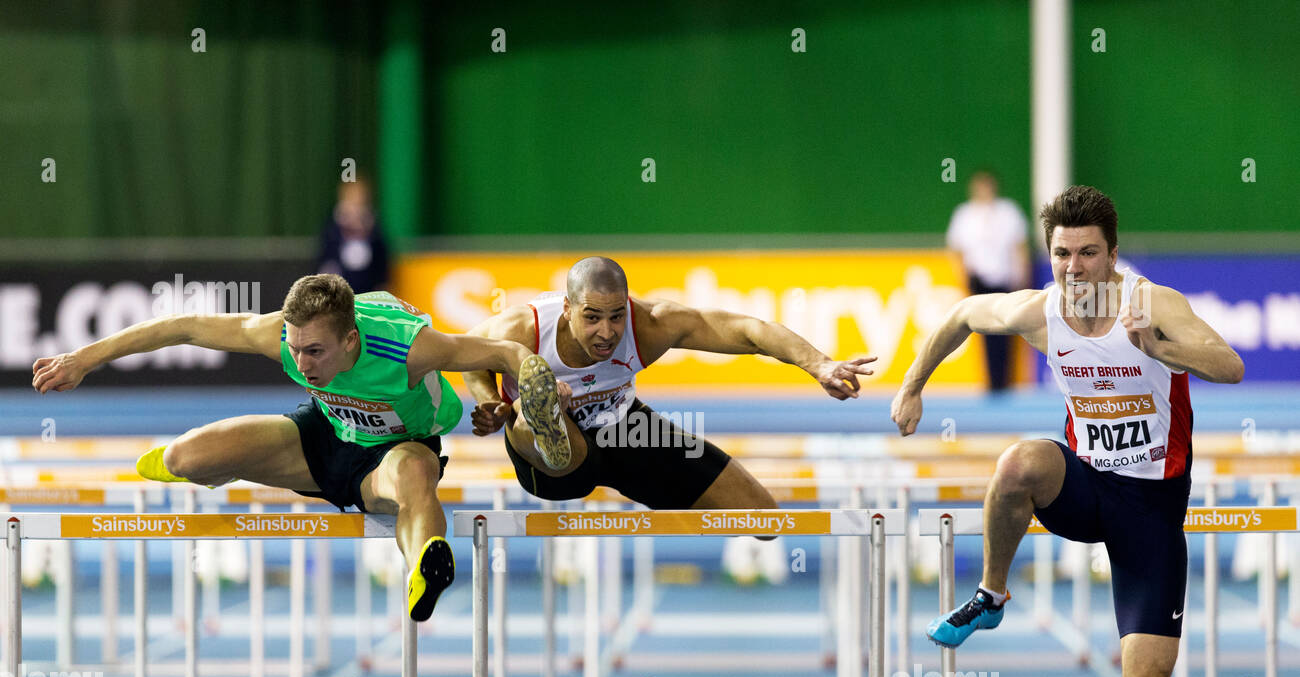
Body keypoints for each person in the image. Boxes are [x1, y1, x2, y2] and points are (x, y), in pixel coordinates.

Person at [892, 185, 1244, 677]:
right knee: (1019, 463)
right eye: (1061, 254)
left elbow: (1228, 364)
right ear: (1048, 254)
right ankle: (992, 594)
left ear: (1113, 255)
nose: (1073, 267)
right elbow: (964, 313)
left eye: (1087, 253)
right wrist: (913, 383)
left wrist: (1167, 352)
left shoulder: (1153, 304)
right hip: (1083, 489)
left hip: (1150, 511)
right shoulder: (1040, 311)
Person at [31, 273, 566, 621]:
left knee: (414, 480)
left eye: (315, 352)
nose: (303, 364)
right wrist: (83, 359)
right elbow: (183, 327)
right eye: (295, 349)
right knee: (185, 457)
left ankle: (424, 565)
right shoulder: (279, 336)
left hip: (396, 451)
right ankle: (212, 469)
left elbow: (500, 350)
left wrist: (520, 405)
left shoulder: (406, 347)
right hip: (322, 433)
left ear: (351, 340)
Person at [462, 256, 875, 514]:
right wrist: (490, 403)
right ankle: (544, 409)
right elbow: (468, 359)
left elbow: (750, 331)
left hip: (627, 430)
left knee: (762, 516)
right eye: (592, 317)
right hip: (553, 461)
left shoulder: (651, 324)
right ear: (567, 308)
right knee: (540, 413)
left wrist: (819, 364)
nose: (607, 332)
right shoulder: (524, 328)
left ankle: (546, 408)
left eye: (615, 316)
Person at [945, 170, 1032, 391]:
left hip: (1004, 278)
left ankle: (1006, 381)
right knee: (984, 329)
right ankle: (992, 382)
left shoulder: (1008, 212)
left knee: (1007, 328)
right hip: (979, 279)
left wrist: (1021, 274)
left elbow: (1019, 246)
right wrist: (963, 278)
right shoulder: (964, 215)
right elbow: (956, 250)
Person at [317, 177, 390, 294]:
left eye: (360, 196)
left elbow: (381, 261)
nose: (356, 200)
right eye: (353, 196)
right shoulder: (333, 227)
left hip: (367, 290)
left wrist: (383, 285)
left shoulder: (374, 227)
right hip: (339, 289)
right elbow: (325, 257)